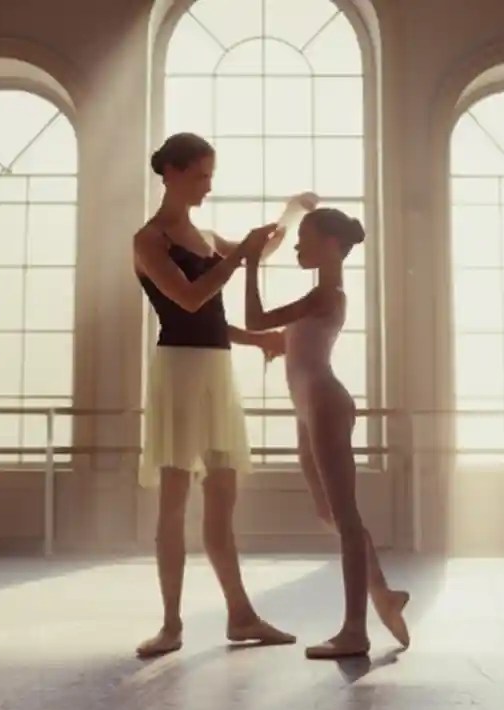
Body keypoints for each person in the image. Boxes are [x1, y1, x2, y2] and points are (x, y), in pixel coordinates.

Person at [133, 132, 296, 657]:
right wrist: (240, 253)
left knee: (222, 497)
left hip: (215, 370)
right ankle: (170, 624)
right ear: (172, 173)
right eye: (201, 175)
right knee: (174, 499)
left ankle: (241, 615)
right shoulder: (149, 240)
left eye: (211, 176)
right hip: (178, 373)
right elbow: (189, 300)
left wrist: (291, 213)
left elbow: (228, 298)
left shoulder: (204, 236)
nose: (208, 185)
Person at [243, 207, 410, 659]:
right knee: (328, 512)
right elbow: (274, 339)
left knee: (346, 516)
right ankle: (383, 594)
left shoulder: (325, 295)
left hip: (325, 405)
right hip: (308, 410)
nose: (297, 246)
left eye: (306, 237)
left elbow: (257, 318)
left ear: (332, 246)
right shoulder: (316, 299)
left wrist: (251, 261)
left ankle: (355, 631)